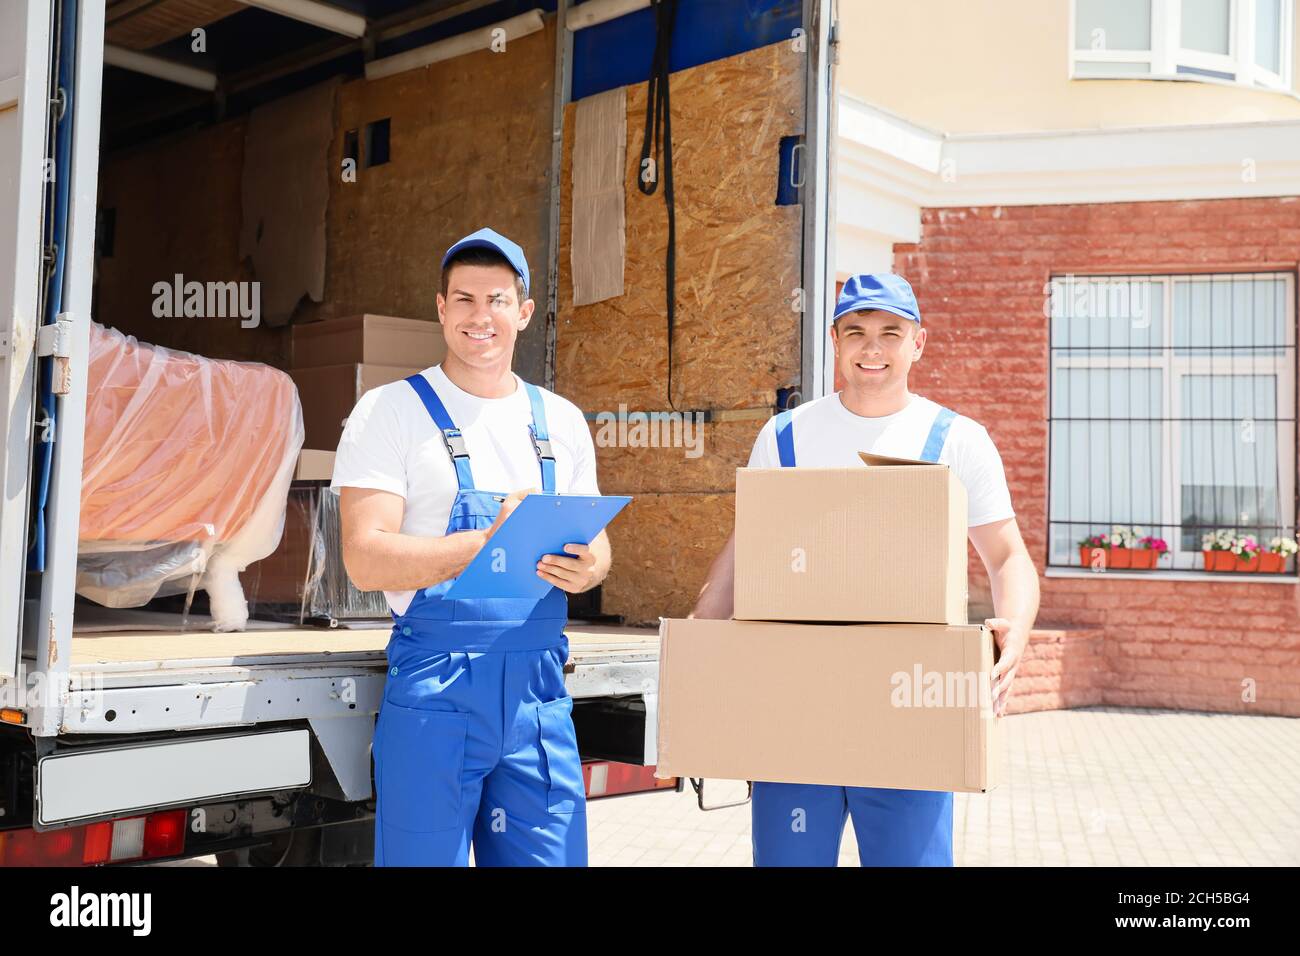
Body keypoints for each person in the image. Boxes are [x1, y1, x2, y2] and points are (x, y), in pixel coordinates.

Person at [690, 273, 1040, 867]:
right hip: (796, 703)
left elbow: (1007, 555)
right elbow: (749, 543)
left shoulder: (956, 439)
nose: (872, 348)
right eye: (855, 332)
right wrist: (701, 641)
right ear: (835, 340)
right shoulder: (786, 436)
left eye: (889, 333)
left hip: (910, 707)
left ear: (918, 342)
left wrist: (1015, 628)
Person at [331, 227, 610, 866]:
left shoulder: (560, 421)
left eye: (496, 300)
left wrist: (587, 567)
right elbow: (364, 555)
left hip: (538, 691)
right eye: (463, 300)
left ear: (524, 313)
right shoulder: (391, 411)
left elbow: (599, 549)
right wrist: (485, 545)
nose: (479, 317)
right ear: (440, 308)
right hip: (438, 688)